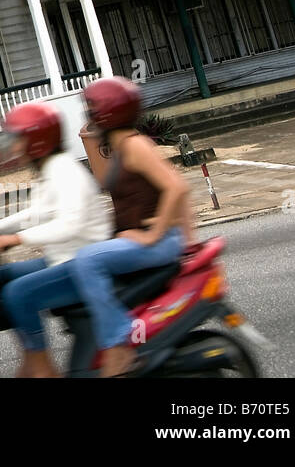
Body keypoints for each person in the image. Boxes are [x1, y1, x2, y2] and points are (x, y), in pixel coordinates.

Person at [71, 76, 193, 377]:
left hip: (161, 242)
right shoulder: (120, 147)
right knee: (81, 257)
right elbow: (104, 182)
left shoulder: (136, 146)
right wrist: (89, 137)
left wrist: (153, 233)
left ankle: (118, 346)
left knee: (87, 261)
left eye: (92, 109)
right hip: (142, 239)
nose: (88, 115)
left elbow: (177, 188)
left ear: (107, 113)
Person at [0, 101, 113, 377]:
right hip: (63, 258)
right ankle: (29, 357)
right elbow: (39, 213)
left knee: (17, 293)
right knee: (2, 276)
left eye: (19, 141)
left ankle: (42, 367)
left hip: (81, 262)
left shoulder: (63, 171)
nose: (15, 148)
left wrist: (16, 239)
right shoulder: (51, 169)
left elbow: (69, 223)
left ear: (36, 141)